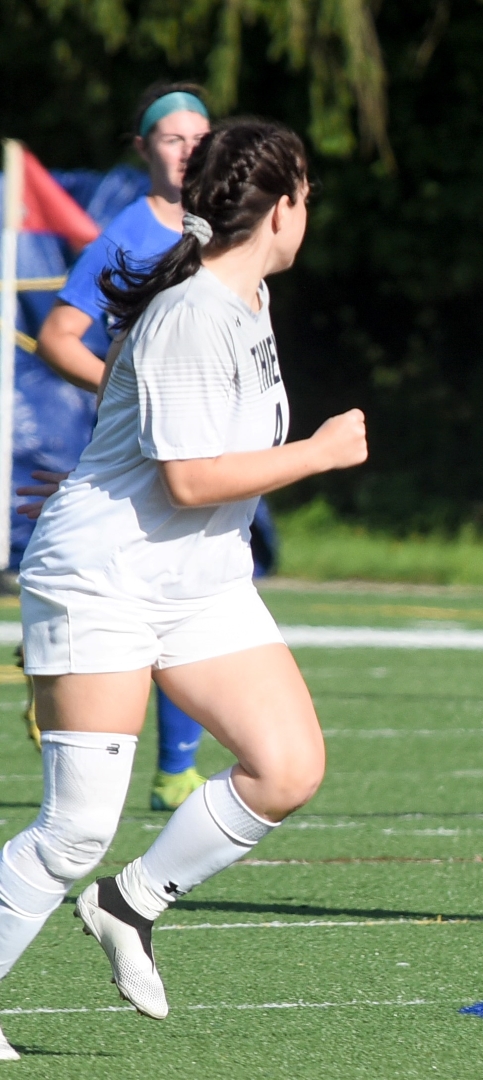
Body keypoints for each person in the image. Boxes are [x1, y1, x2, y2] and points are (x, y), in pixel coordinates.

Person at [0, 118, 365, 1051]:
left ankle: (134, 901)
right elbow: (190, 479)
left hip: (200, 579)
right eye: (308, 197)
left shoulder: (244, 301)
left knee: (288, 767)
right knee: (74, 830)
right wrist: (316, 455)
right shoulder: (193, 311)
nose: (310, 213)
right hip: (104, 578)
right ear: (279, 207)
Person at [29, 82, 272, 812]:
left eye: (201, 136)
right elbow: (57, 336)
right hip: (152, 459)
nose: (189, 148)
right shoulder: (128, 235)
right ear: (143, 150)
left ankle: (176, 767)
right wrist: (127, 383)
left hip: (214, 448)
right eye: (172, 137)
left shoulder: (228, 230)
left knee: (212, 581)